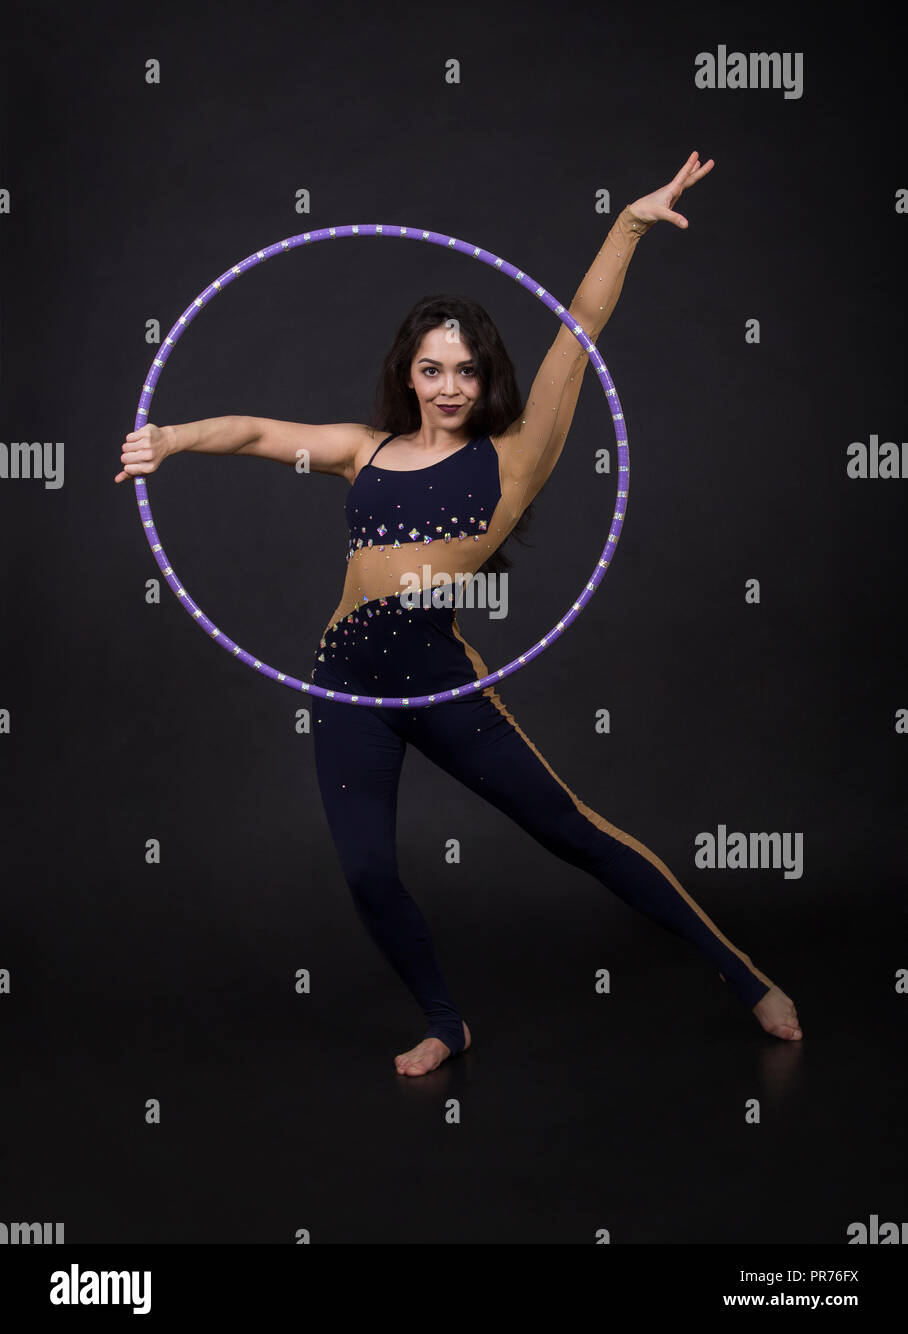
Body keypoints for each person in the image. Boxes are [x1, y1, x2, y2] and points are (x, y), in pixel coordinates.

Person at [115, 152, 803, 1076]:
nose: (447, 386)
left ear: (485, 381)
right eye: (432, 369)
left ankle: (744, 975)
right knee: (365, 870)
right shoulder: (364, 451)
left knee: (574, 834)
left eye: (465, 372)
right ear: (408, 373)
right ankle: (446, 1020)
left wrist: (630, 224)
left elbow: (582, 325)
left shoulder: (513, 460)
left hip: (440, 685)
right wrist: (173, 438)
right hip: (345, 684)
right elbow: (260, 435)